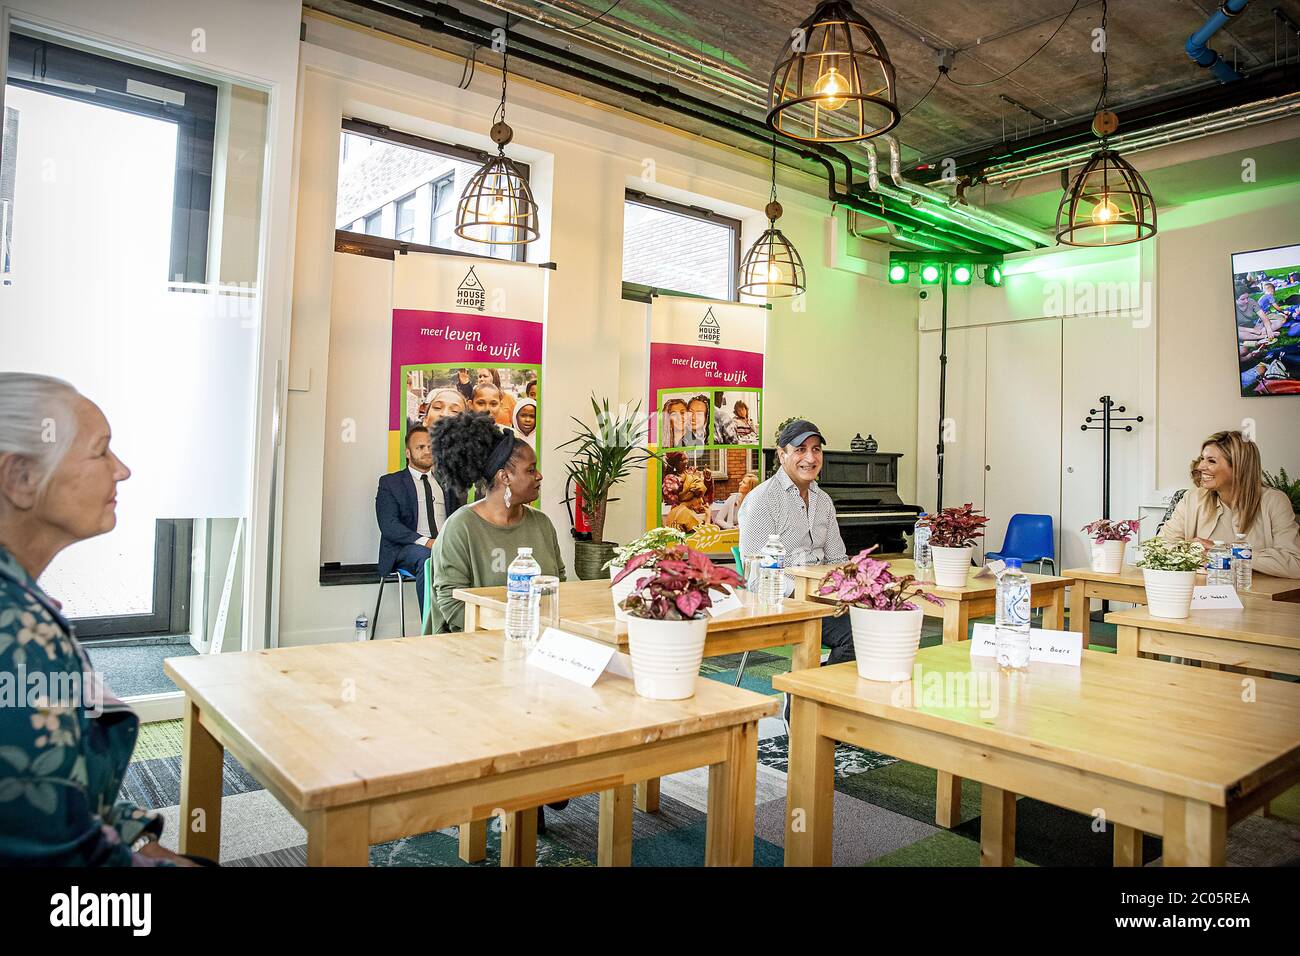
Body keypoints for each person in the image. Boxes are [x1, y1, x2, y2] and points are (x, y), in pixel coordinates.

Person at [0, 372, 198, 865]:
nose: (123, 470)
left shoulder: (26, 608)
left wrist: (135, 837)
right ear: (20, 479)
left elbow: (64, 793)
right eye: (101, 451)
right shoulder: (19, 636)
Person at [739, 419, 855, 720]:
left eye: (816, 449)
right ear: (782, 454)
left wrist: (852, 589)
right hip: (781, 599)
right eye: (800, 449)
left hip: (823, 596)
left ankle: (813, 696)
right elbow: (757, 574)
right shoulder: (762, 499)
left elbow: (838, 558)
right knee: (854, 635)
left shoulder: (823, 501)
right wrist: (808, 592)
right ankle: (805, 712)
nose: (810, 458)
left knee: (880, 623)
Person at [427, 412, 565, 634]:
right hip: (472, 643)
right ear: (504, 477)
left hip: (537, 638)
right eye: (530, 470)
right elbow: (452, 603)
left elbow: (558, 584)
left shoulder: (542, 524)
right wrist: (511, 629)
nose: (539, 476)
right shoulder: (461, 527)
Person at [1159, 430, 1300, 578]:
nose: (1200, 467)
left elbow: (1295, 563)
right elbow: (1160, 546)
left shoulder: (1274, 501)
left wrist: (1228, 552)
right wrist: (1191, 553)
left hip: (1256, 591)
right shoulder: (1192, 498)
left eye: (1211, 461)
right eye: (1202, 459)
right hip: (1200, 589)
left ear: (1239, 468)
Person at [375, 425, 464, 612]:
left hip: (443, 546)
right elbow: (389, 526)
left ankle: (462, 622)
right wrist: (427, 542)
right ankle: (431, 625)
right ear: (408, 453)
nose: (427, 451)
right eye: (420, 447)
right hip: (407, 549)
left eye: (431, 447)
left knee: (470, 557)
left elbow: (457, 519)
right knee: (428, 558)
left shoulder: (446, 483)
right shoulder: (390, 483)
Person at [1155, 458, 1203, 535]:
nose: (1200, 476)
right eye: (1196, 472)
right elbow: (1162, 527)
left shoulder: (1218, 498)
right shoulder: (1181, 495)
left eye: (1203, 472)